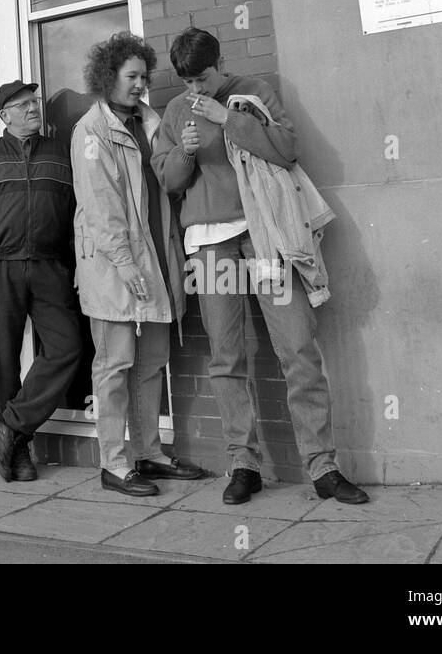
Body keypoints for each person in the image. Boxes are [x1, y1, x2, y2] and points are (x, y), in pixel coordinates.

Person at [156, 27, 369, 506]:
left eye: (203, 79)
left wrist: (225, 120)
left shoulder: (253, 92)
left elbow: (286, 149)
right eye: (188, 82)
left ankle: (323, 467)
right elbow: (168, 181)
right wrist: (186, 150)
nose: (196, 90)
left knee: (297, 345)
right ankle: (243, 464)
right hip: (210, 244)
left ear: (221, 63)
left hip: (264, 235)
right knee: (226, 355)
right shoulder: (174, 112)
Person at [70, 33, 208, 497]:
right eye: (132, 77)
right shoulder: (92, 130)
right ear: (108, 78)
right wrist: (125, 263)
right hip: (116, 266)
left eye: (144, 77)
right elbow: (99, 205)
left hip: (157, 257)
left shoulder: (151, 122)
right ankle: (113, 463)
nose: (141, 85)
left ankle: (148, 454)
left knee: (153, 363)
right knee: (114, 363)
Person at [0, 79, 79, 482]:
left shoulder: (63, 154)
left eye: (34, 102)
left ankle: (12, 425)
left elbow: (79, 213)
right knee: (0, 361)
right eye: (22, 105)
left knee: (66, 347)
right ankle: (16, 452)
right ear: (3, 115)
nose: (32, 109)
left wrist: (80, 265)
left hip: (51, 265)